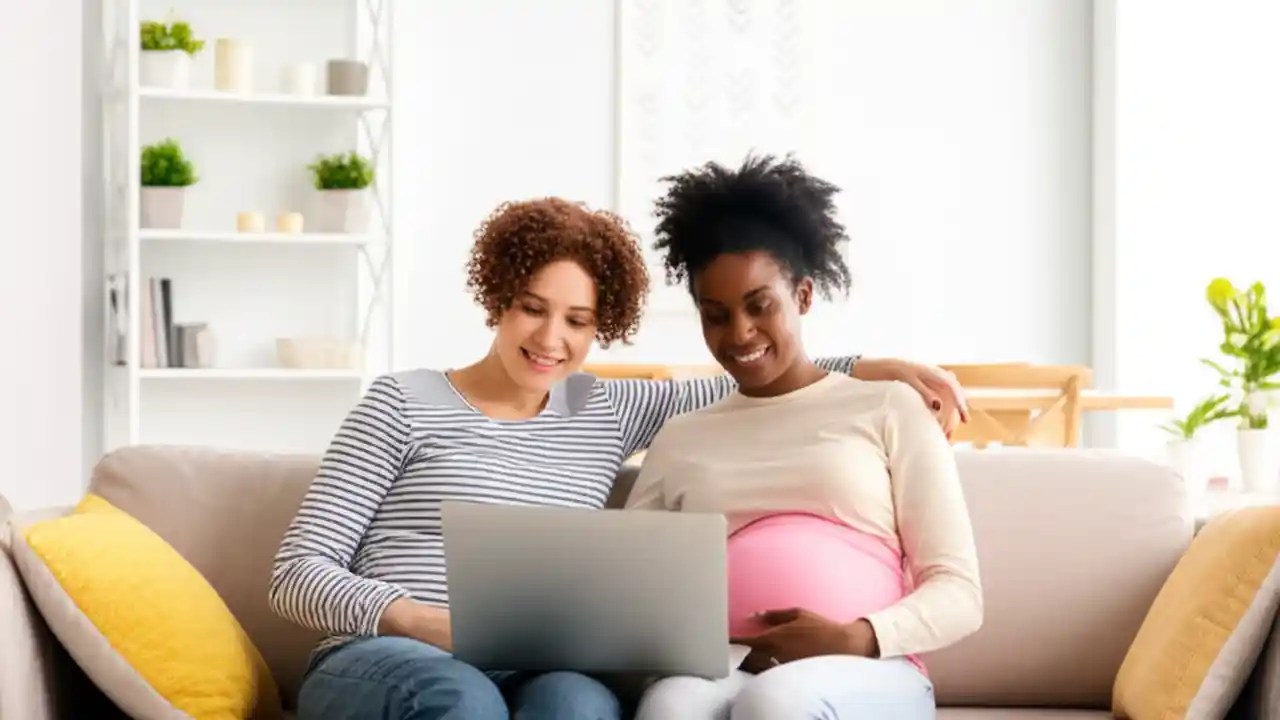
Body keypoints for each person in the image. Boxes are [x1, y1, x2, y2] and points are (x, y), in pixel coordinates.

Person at [269, 195, 969, 720]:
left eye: (577, 321)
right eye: (531, 308)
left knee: (582, 708)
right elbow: (295, 574)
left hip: (533, 664)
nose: (551, 339)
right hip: (390, 657)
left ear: (600, 329)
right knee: (462, 701)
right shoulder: (401, 402)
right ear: (497, 299)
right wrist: (425, 620)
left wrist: (872, 366)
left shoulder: (604, 410)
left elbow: (754, 376)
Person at [624, 154, 983, 720]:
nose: (740, 332)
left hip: (869, 668)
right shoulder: (682, 437)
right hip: (724, 665)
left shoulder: (888, 406)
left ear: (805, 296)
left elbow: (960, 591)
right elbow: (630, 589)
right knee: (670, 707)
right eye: (715, 314)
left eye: (759, 306)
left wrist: (855, 636)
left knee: (777, 703)